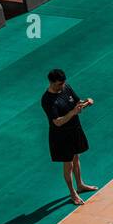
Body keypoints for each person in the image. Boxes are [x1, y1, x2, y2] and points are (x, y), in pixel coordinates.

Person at [41, 68, 96, 205]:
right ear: (51, 82)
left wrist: (86, 102)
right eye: (59, 84)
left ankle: (80, 185)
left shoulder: (66, 87)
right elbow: (57, 122)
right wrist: (73, 112)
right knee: (68, 163)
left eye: (63, 83)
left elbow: (77, 102)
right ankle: (73, 193)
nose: (62, 86)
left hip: (74, 129)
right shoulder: (47, 100)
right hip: (61, 135)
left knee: (76, 157)